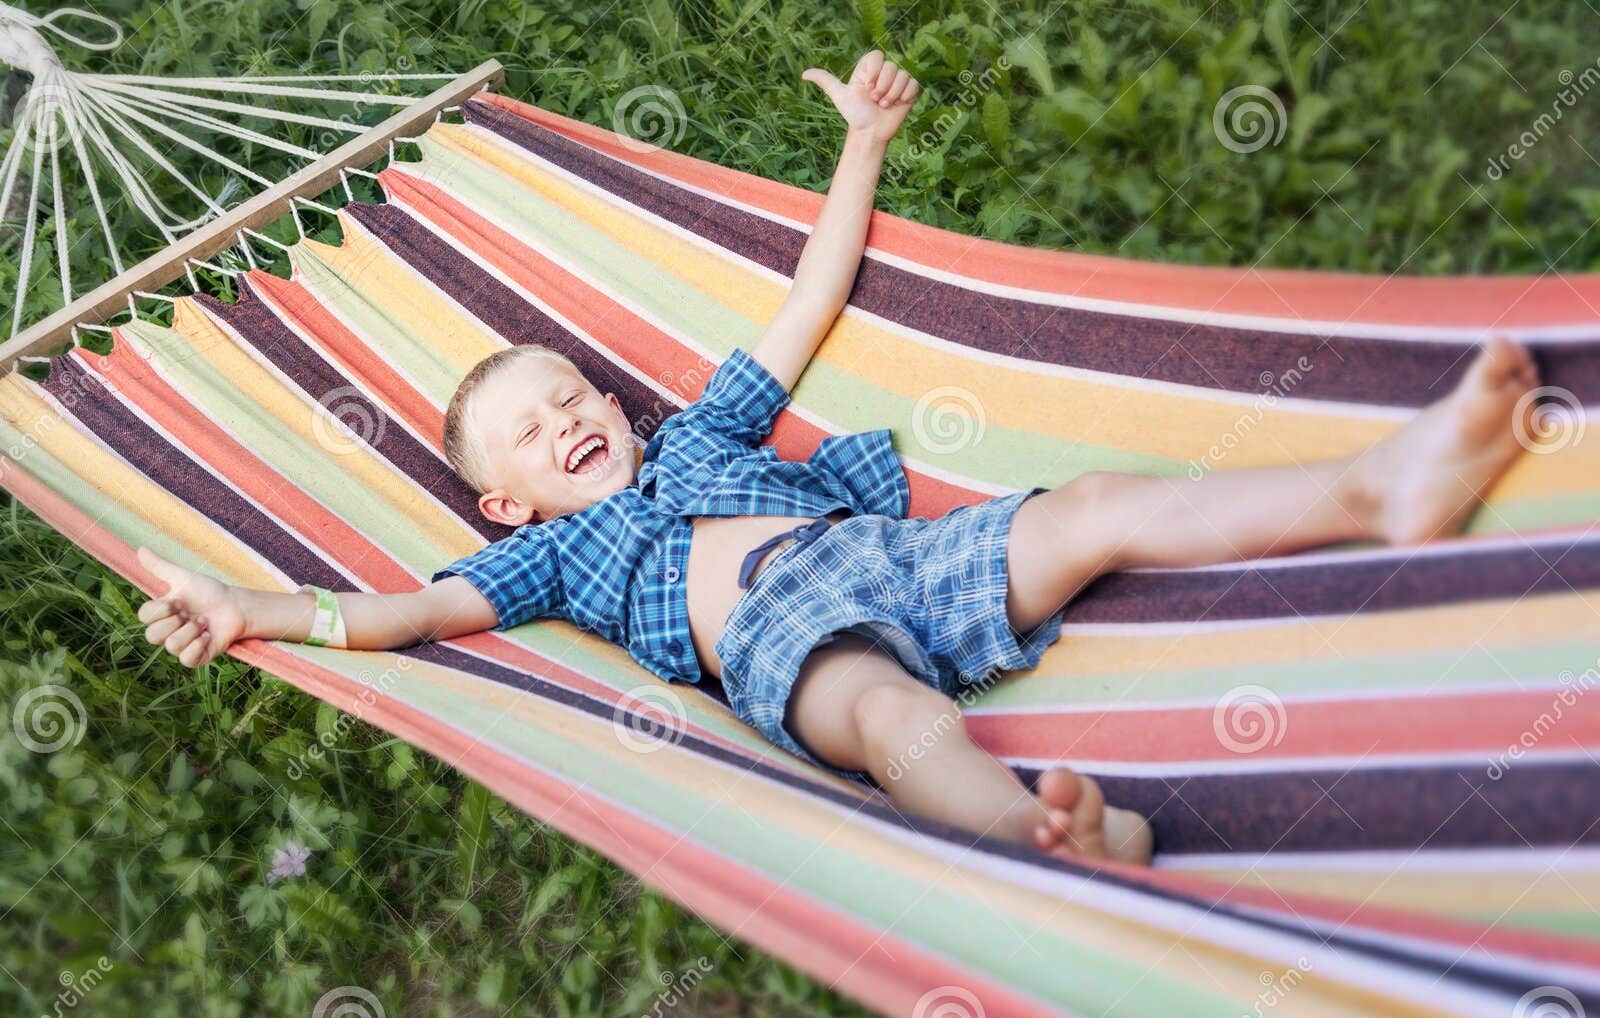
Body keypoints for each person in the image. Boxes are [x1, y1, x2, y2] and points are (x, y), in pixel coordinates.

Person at [137, 52, 1543, 866]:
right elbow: (410, 612)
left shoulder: (701, 429)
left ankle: (1380, 485)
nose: (566, 418)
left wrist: (862, 144)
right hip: (789, 645)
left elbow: (805, 305)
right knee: (892, 725)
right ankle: (1048, 843)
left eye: (569, 392)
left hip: (903, 556)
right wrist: (254, 607)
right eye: (531, 432)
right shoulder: (550, 555)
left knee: (1096, 506)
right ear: (507, 500)